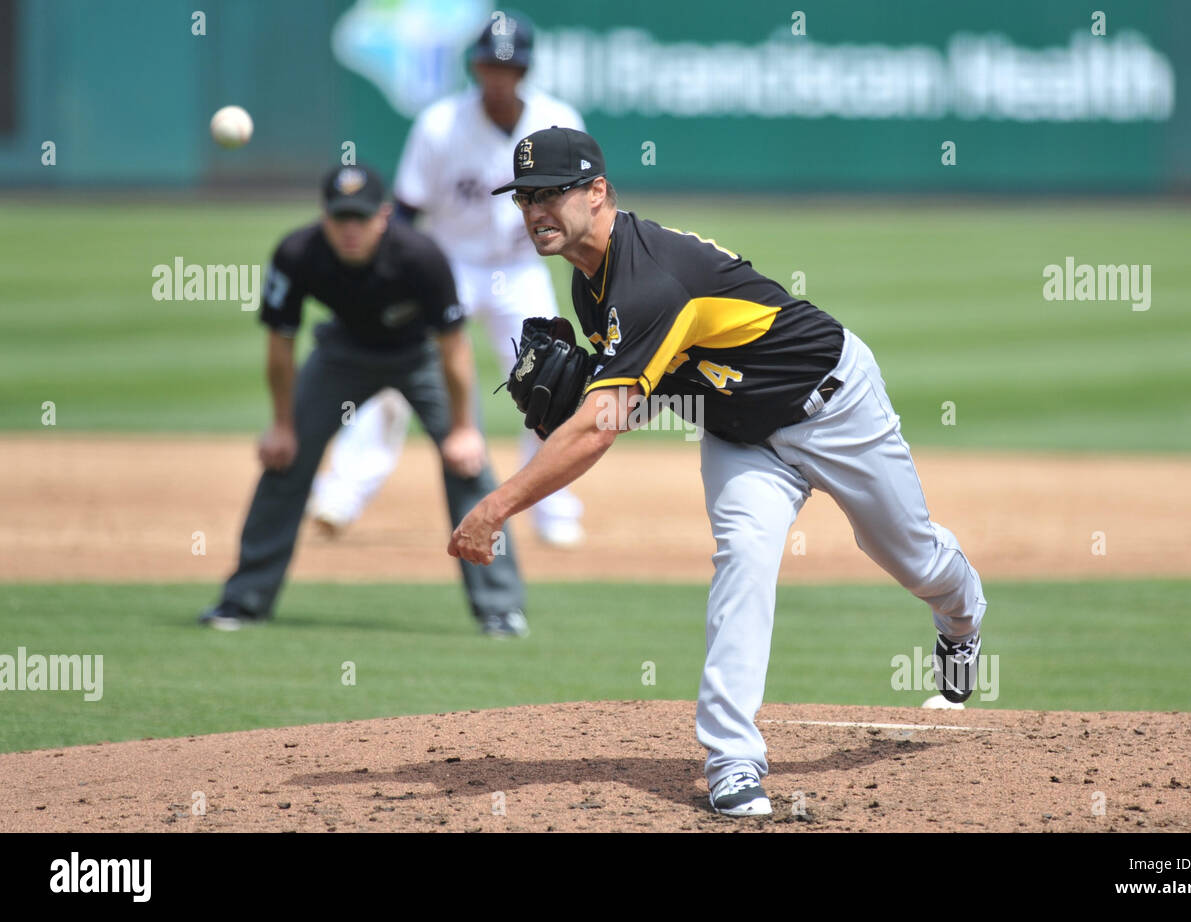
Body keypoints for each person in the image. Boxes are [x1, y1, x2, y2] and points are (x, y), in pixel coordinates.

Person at [447, 128, 988, 815]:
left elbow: (600, 428)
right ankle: (733, 760)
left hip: (834, 405)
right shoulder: (592, 286)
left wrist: (496, 505)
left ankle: (962, 620)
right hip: (742, 437)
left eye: (550, 194)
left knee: (911, 558)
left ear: (597, 192)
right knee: (744, 557)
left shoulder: (649, 281)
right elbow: (654, 392)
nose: (534, 212)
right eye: (525, 197)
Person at [199, 163, 528, 638]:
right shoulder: (298, 253)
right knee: (284, 460)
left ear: (385, 216)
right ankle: (244, 600)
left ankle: (500, 607)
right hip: (342, 355)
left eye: (361, 217)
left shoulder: (420, 255)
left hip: (419, 358)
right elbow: (280, 345)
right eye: (340, 218)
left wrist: (462, 428)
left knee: (468, 464)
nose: (350, 229)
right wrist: (281, 425)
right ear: (323, 216)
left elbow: (454, 347)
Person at [307, 12, 587, 548]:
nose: (498, 76)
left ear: (525, 69)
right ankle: (339, 496)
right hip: (448, 268)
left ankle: (552, 506)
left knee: (552, 383)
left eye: (508, 66)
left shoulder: (558, 121)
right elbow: (407, 212)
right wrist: (395, 278)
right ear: (474, 66)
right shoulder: (440, 124)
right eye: (488, 64)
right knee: (396, 379)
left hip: (520, 268)